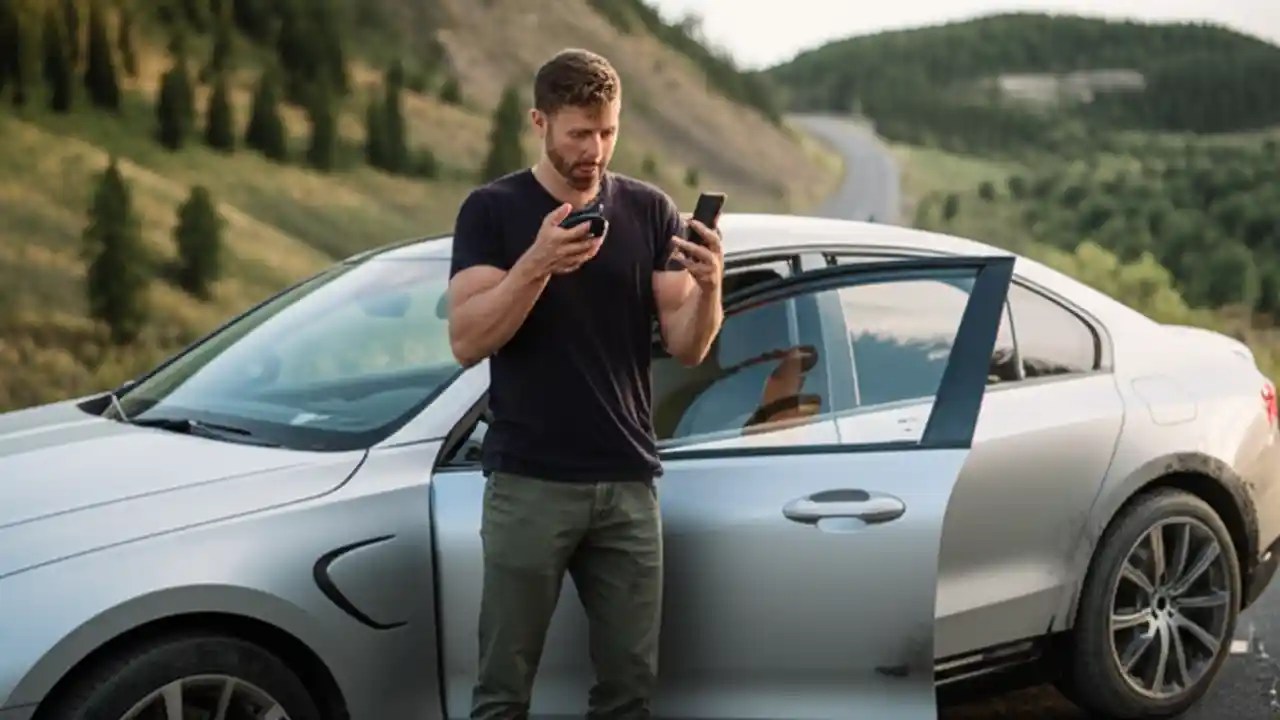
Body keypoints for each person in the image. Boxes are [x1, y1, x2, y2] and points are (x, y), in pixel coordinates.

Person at [445, 48, 725, 719]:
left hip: (628, 480)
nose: (594, 150)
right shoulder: (493, 211)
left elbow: (687, 346)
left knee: (630, 688)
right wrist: (535, 264)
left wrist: (711, 288)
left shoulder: (650, 211)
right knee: (502, 690)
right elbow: (467, 340)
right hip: (529, 481)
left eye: (608, 132)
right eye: (578, 132)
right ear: (540, 121)